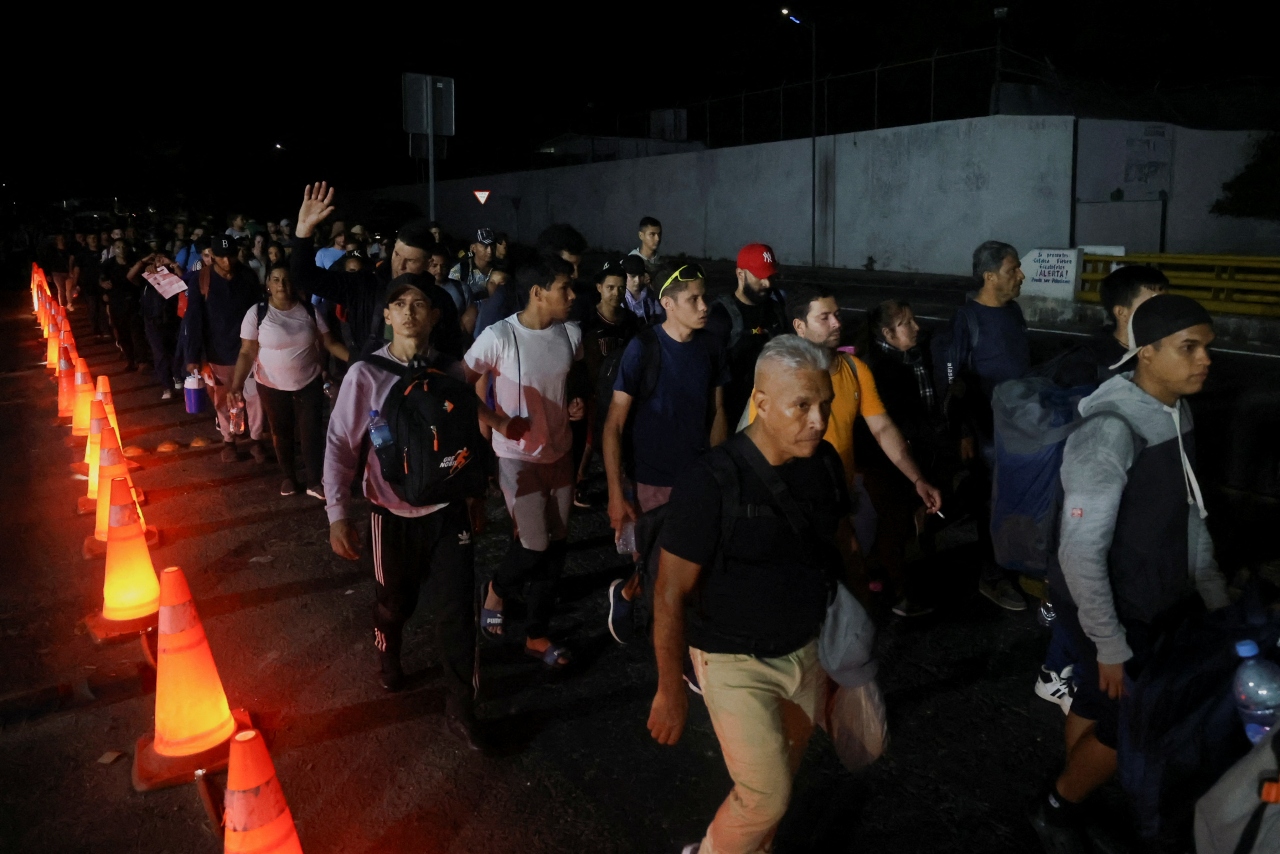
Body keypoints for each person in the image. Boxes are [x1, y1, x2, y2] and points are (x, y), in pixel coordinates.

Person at [1030, 294, 1229, 851]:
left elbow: (1187, 513)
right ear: (1147, 353)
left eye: (1206, 347)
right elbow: (1078, 550)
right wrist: (1110, 641)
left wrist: (1212, 592)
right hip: (1110, 607)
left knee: (1098, 706)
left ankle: (1074, 795)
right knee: (1128, 723)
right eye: (1188, 348)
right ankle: (1057, 808)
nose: (1204, 359)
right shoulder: (1110, 430)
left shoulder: (1175, 409)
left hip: (1153, 595)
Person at [649, 335, 856, 854]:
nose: (819, 419)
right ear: (761, 403)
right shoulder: (712, 481)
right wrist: (669, 688)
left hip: (806, 654)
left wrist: (849, 656)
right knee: (767, 796)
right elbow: (670, 592)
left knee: (777, 780)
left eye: (825, 404)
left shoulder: (825, 463)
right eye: (802, 405)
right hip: (732, 661)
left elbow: (840, 550)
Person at [323, 282, 484, 750]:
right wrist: (337, 513)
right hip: (389, 516)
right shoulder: (365, 375)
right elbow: (340, 444)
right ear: (387, 316)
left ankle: (462, 708)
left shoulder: (453, 371)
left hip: (447, 513)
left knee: (458, 614)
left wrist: (477, 497)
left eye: (420, 305)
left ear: (435, 316)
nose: (410, 313)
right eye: (399, 304)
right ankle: (388, 645)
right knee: (395, 602)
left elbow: (468, 443)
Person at [741, 287, 943, 594]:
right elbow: (755, 447)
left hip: (841, 500)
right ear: (800, 326)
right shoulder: (780, 375)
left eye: (836, 315)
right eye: (824, 317)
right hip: (795, 510)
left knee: (849, 579)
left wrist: (917, 479)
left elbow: (882, 429)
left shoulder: (854, 369)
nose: (837, 323)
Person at [466, 259, 583, 670]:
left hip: (560, 454)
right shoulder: (499, 336)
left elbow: (574, 379)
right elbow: (461, 381)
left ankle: (537, 635)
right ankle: (496, 590)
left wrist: (574, 404)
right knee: (535, 543)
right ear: (538, 292)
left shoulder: (572, 333)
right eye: (564, 288)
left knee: (556, 548)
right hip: (518, 459)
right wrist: (497, 421)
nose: (572, 296)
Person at [603, 262, 728, 643]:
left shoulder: (711, 345)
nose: (704, 305)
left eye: (705, 296)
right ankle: (675, 666)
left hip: (697, 478)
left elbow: (718, 408)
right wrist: (613, 493)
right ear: (668, 304)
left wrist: (718, 469)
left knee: (691, 568)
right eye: (694, 298)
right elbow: (614, 424)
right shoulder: (643, 349)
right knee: (663, 575)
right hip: (652, 480)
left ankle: (627, 595)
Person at [942, 240, 1031, 611]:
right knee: (991, 504)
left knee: (1020, 500)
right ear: (990, 276)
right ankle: (991, 576)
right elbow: (952, 382)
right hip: (987, 431)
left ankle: (1015, 563)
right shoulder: (967, 320)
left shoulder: (1013, 313)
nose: (1021, 275)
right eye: (1013, 269)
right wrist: (963, 433)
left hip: (1021, 427)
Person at [289, 182, 464, 359]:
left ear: (427, 263)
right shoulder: (364, 285)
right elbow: (304, 277)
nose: (400, 265)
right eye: (397, 254)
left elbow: (451, 352)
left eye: (410, 261)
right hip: (369, 380)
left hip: (418, 383)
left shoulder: (440, 300)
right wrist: (303, 231)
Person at [864, 299, 953, 616]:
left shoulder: (914, 356)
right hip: (887, 463)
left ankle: (888, 577)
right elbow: (896, 424)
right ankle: (900, 593)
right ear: (888, 333)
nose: (917, 328)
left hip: (914, 456)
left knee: (907, 523)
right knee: (894, 526)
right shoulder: (878, 371)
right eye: (907, 323)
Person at [231, 263, 348, 497]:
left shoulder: (310, 310)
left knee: (311, 431)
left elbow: (329, 342)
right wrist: (236, 385)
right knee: (281, 432)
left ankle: (315, 481)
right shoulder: (258, 313)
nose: (281, 285)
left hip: (309, 381)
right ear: (268, 285)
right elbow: (246, 352)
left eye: (286, 279)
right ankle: (289, 477)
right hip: (271, 384)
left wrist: (358, 361)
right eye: (276, 279)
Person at [183, 234, 268, 463]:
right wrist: (193, 356)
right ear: (213, 256)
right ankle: (229, 441)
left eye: (230, 256)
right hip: (216, 351)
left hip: (248, 350)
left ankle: (257, 440)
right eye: (221, 257)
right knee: (221, 398)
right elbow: (193, 319)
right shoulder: (202, 279)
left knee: (255, 397)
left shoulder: (247, 276)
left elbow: (260, 312)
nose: (227, 262)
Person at [706, 243, 788, 428]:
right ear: (740, 275)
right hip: (734, 418)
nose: (767, 283)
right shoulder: (720, 316)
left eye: (770, 276)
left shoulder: (777, 310)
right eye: (760, 277)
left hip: (771, 415)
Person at [138, 251, 183, 399]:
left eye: (161, 259)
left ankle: (177, 375)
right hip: (152, 320)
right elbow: (130, 277)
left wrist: (171, 264)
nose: (159, 262)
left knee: (175, 350)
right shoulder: (148, 277)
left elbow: (184, 283)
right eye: (156, 260)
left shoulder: (173, 275)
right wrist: (143, 263)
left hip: (172, 320)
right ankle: (166, 387)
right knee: (159, 353)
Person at [100, 238, 148, 372]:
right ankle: (130, 360)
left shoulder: (133, 261)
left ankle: (142, 361)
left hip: (133, 301)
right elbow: (101, 279)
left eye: (123, 246)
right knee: (122, 333)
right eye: (118, 247)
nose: (121, 250)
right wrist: (103, 285)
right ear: (113, 249)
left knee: (137, 332)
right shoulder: (108, 264)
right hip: (116, 302)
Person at [70, 232, 107, 337]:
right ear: (87, 240)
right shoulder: (82, 253)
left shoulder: (103, 251)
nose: (93, 240)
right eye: (91, 238)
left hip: (103, 283)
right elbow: (77, 269)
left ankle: (105, 329)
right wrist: (74, 284)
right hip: (89, 284)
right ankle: (96, 330)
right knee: (93, 307)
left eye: (95, 237)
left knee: (103, 307)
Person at [448, 228, 496, 301]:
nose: (490, 250)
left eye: (492, 245)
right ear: (473, 248)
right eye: (485, 246)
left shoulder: (500, 269)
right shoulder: (461, 270)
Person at [622, 254, 662, 326]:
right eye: (633, 276)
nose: (637, 280)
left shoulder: (652, 297)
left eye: (640, 276)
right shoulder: (619, 299)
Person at [429, 243, 470, 313]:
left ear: (449, 266)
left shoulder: (462, 289)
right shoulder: (418, 290)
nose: (439, 270)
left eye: (443, 266)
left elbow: (471, 314)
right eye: (434, 266)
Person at [40, 233, 74, 309]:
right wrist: (48, 274)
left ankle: (69, 304)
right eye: (59, 239)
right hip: (57, 272)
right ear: (56, 240)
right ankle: (62, 306)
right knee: (61, 289)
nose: (61, 240)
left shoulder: (68, 250)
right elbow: (48, 262)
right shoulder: (52, 251)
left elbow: (71, 260)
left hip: (67, 271)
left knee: (69, 289)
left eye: (62, 239)